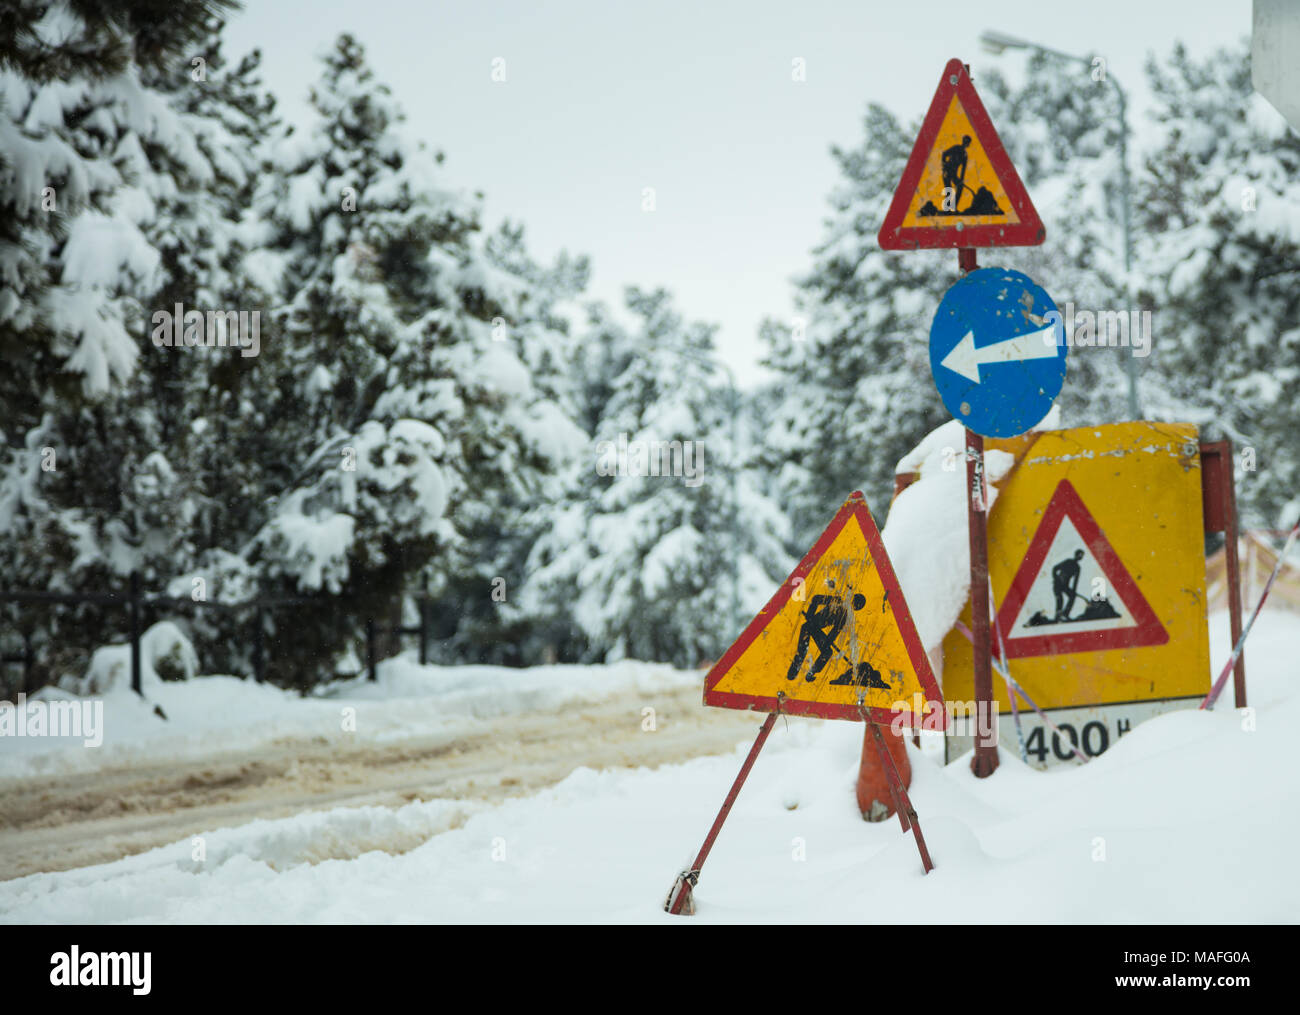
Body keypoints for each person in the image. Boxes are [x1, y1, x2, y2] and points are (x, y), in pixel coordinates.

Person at [940, 136, 972, 212]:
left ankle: (953, 207)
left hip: (953, 174)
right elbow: (944, 154)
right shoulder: (956, 148)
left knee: (960, 187)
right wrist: (944, 165)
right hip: (947, 171)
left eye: (967, 142)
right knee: (949, 190)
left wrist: (961, 180)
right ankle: (946, 209)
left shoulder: (965, 155)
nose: (967, 144)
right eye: (966, 142)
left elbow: (963, 169)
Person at [1052, 550, 1085, 621]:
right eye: (1080, 555)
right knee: (1060, 600)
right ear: (1076, 555)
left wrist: (1073, 591)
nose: (1081, 557)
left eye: (1082, 556)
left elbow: (1075, 581)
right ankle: (1057, 617)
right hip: (1058, 584)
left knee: (1072, 596)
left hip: (1065, 586)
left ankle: (1065, 614)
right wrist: (1056, 579)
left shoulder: (1077, 568)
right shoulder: (1068, 561)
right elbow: (1054, 568)